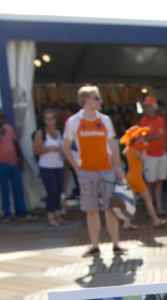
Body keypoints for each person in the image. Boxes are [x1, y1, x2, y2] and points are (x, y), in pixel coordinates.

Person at [63, 86, 126, 257]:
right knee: (91, 209)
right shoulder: (73, 122)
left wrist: (118, 168)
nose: (100, 101)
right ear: (86, 100)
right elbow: (66, 146)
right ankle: (95, 245)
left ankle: (115, 244)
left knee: (111, 208)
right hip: (87, 170)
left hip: (107, 169)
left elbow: (113, 145)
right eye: (96, 98)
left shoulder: (105, 120)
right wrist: (77, 167)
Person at [0, 108, 36, 222]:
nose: (3, 118)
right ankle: (7, 212)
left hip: (13, 163)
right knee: (5, 189)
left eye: (4, 116)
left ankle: (21, 211)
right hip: (0, 164)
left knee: (18, 188)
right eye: (0, 116)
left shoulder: (9, 128)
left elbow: (15, 143)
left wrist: (20, 157)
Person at [119, 125, 167, 228]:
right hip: (136, 176)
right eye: (140, 137)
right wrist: (144, 147)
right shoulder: (136, 148)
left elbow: (124, 153)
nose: (142, 138)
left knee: (132, 201)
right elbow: (144, 158)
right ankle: (155, 221)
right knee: (148, 199)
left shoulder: (128, 148)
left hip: (129, 175)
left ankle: (126, 223)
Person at [33, 108, 66, 227]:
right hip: (46, 165)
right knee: (51, 190)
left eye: (51, 118)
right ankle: (50, 216)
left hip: (58, 164)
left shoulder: (58, 132)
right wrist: (50, 149)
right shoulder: (41, 132)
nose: (49, 121)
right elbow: (36, 150)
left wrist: (62, 150)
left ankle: (57, 215)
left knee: (58, 190)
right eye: (47, 118)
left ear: (55, 119)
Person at [138, 97, 167, 216]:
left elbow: (165, 136)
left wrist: (165, 152)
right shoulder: (143, 121)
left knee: (159, 182)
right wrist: (154, 137)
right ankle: (150, 209)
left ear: (154, 107)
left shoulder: (161, 120)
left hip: (161, 154)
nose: (146, 108)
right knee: (150, 183)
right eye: (145, 106)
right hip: (150, 155)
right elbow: (141, 138)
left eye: (148, 106)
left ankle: (159, 207)